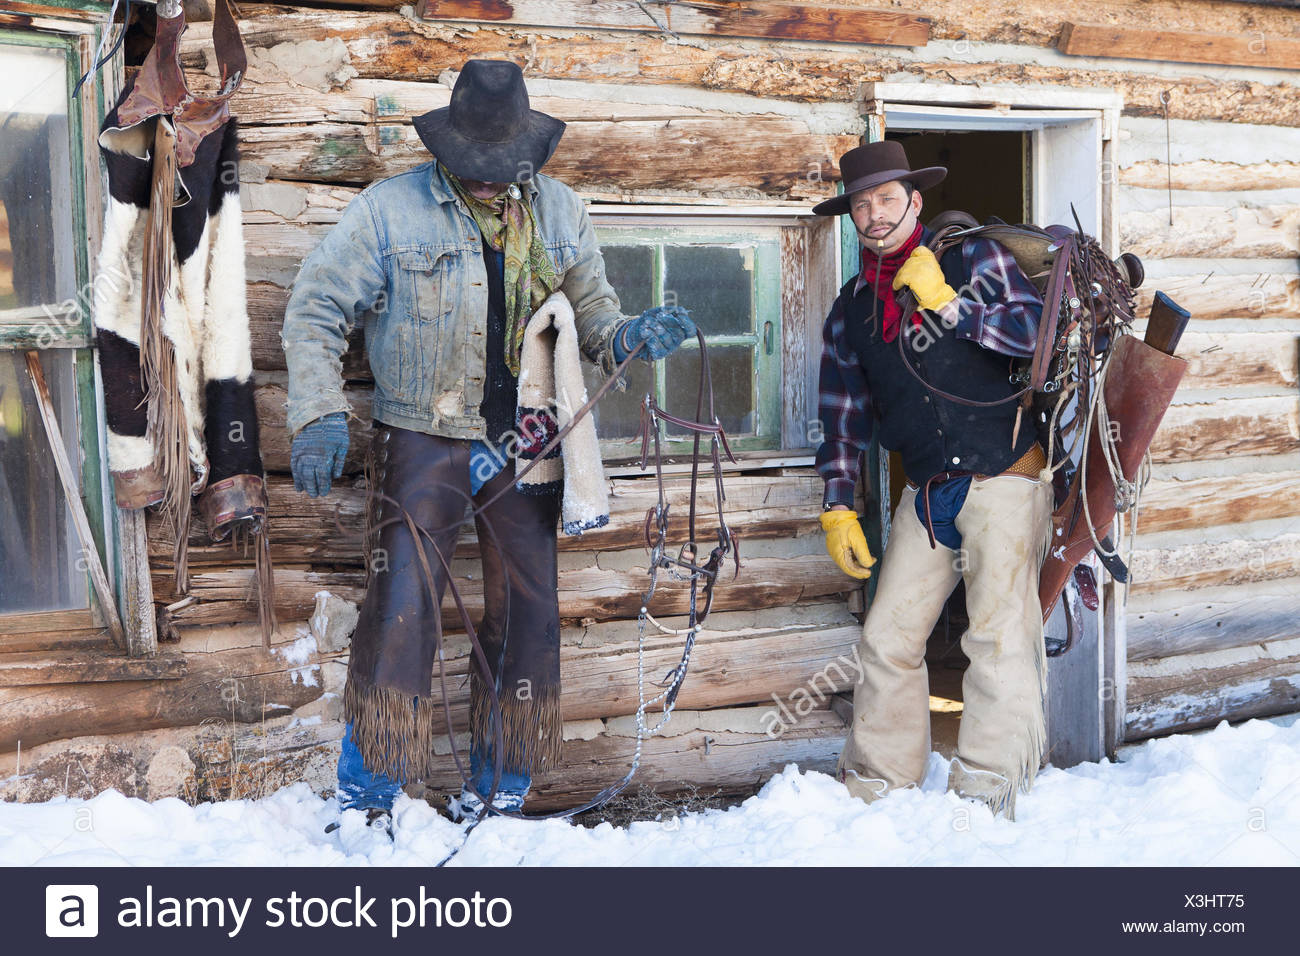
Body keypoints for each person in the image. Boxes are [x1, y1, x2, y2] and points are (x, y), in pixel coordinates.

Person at [281, 60, 695, 832]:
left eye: (500, 168)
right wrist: (317, 414)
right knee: (401, 607)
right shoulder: (389, 212)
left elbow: (594, 311)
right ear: (446, 149)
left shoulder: (562, 211)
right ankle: (369, 793)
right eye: (472, 165)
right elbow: (314, 311)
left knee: (528, 612)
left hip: (528, 435)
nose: (486, 179)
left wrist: (631, 334)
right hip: (421, 434)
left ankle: (503, 786)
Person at [812, 140, 1054, 820]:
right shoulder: (854, 305)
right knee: (888, 638)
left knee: (997, 639)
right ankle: (878, 789)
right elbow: (843, 414)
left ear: (915, 202)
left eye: (887, 199)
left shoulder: (974, 260)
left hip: (1004, 476)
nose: (874, 214)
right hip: (924, 492)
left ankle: (987, 792)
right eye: (861, 205)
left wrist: (948, 303)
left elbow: (1034, 338)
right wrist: (837, 505)